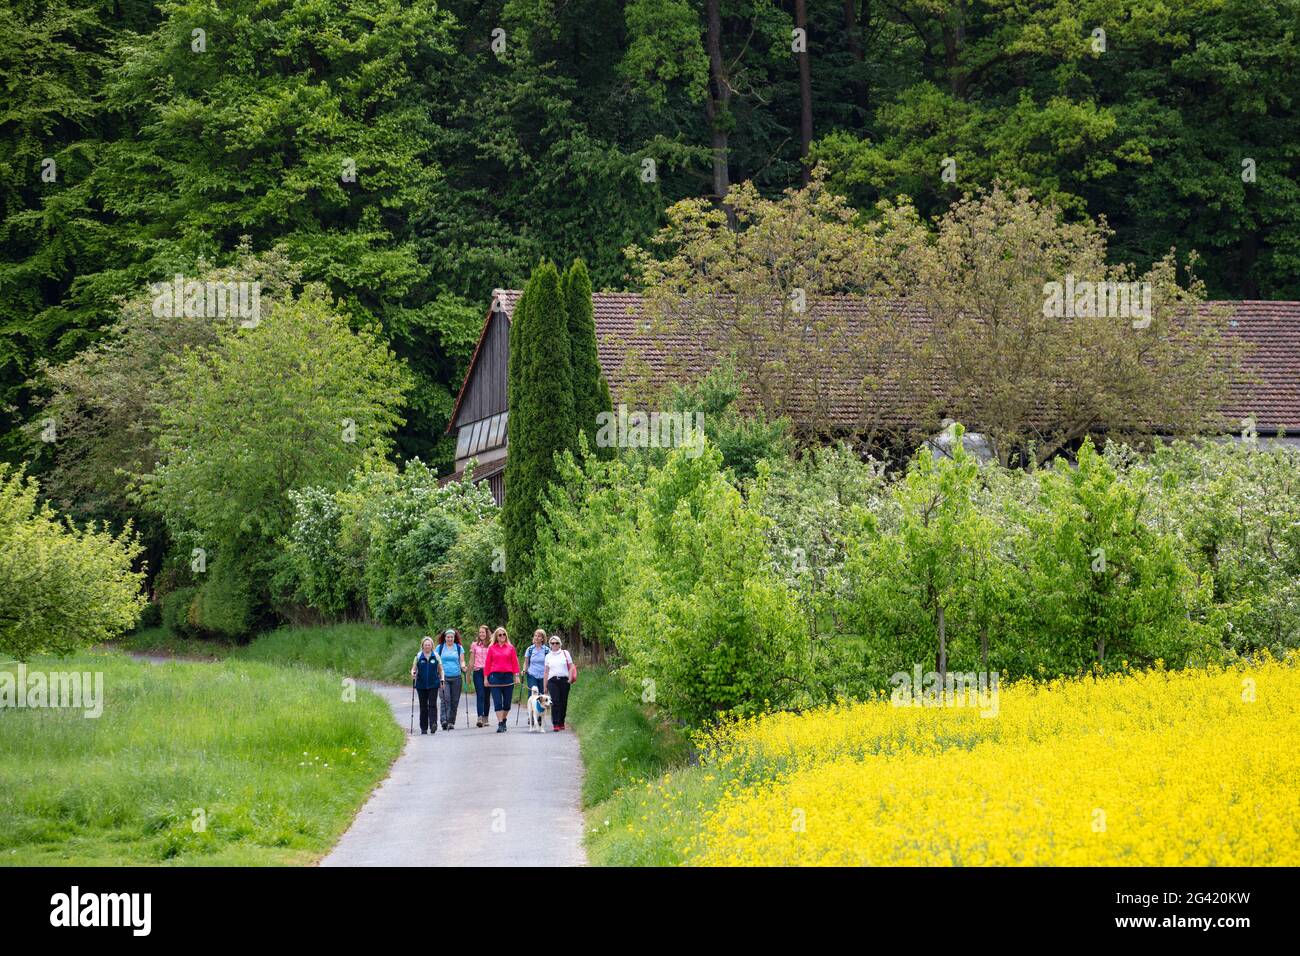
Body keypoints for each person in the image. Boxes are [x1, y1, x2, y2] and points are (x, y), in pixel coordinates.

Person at [484, 626, 520, 733]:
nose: (502, 636)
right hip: (495, 677)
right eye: (500, 635)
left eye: (504, 634)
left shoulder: (510, 648)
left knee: (507, 703)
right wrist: (486, 678)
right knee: (498, 702)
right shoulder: (492, 648)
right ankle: (500, 723)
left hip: (508, 677)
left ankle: (504, 719)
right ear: (496, 637)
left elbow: (515, 663)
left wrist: (517, 676)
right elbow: (487, 664)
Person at [409, 636, 444, 735]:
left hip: (433, 684)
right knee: (423, 706)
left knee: (432, 704)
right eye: (425, 645)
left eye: (429, 645)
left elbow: (441, 669)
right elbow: (413, 668)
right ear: (423, 646)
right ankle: (423, 727)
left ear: (432, 646)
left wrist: (442, 679)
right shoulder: (418, 656)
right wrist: (413, 673)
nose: (427, 646)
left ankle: (433, 724)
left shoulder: (436, 656)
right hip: (421, 685)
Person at [436, 629, 466, 730]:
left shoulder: (458, 648)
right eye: (448, 637)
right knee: (445, 698)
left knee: (454, 701)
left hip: (456, 676)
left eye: (451, 637)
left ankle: (451, 721)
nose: (450, 639)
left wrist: (463, 667)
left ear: (454, 638)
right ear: (444, 638)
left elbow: (462, 661)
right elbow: (436, 661)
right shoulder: (440, 648)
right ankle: (444, 720)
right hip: (443, 677)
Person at [543, 634, 575, 731]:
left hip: (564, 680)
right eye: (552, 643)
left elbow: (571, 666)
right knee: (555, 701)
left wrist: (570, 678)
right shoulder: (548, 656)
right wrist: (545, 686)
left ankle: (561, 722)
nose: (555, 645)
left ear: (560, 644)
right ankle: (555, 723)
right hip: (552, 681)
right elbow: (546, 672)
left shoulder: (565, 653)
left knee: (563, 702)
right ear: (550, 644)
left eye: (557, 643)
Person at [470, 625, 491, 727]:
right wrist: (468, 674)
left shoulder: (491, 645)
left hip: (489, 672)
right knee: (480, 694)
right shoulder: (474, 645)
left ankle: (485, 717)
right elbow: (471, 659)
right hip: (478, 671)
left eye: (483, 632)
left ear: (487, 633)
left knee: (487, 695)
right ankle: (479, 717)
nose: (481, 634)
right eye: (480, 632)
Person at [522, 629, 548, 696]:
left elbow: (550, 664)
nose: (536, 637)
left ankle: (540, 707)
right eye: (535, 636)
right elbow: (526, 662)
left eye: (539, 636)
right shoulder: (530, 649)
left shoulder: (547, 650)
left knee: (542, 695)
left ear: (542, 639)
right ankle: (531, 706)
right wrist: (524, 670)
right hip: (532, 675)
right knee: (533, 694)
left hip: (543, 676)